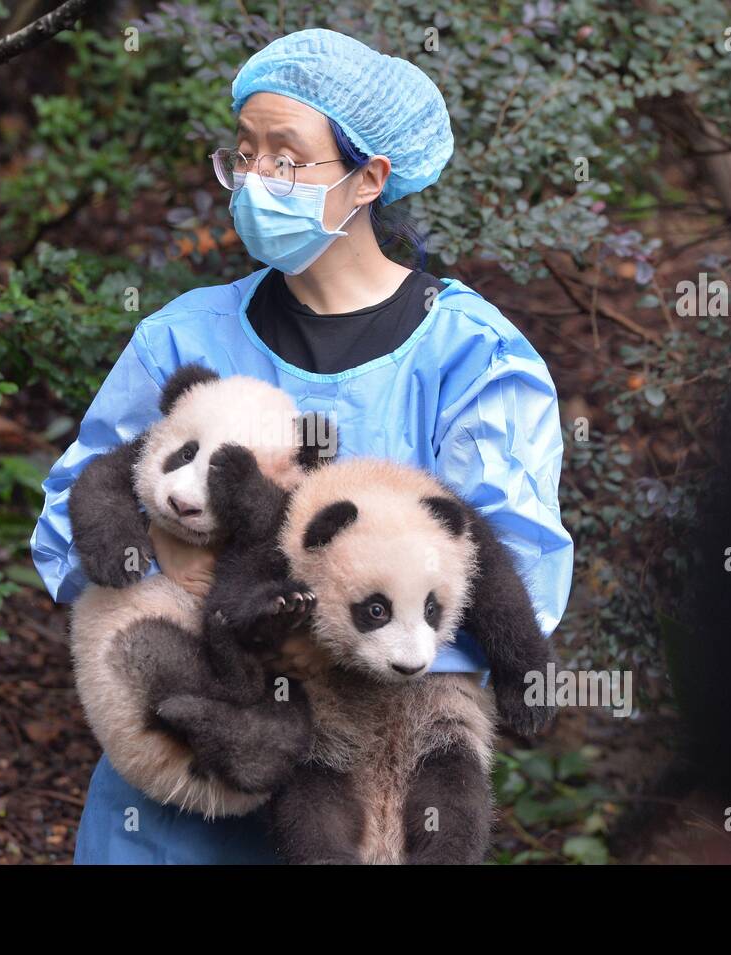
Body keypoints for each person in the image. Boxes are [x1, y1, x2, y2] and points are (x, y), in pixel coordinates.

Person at [31, 28, 574, 864]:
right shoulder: (183, 337)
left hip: (361, 790)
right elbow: (78, 533)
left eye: (285, 158)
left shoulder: (472, 355)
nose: (254, 180)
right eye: (242, 154)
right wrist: (217, 624)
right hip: (176, 802)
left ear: (370, 176)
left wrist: (316, 640)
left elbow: (513, 573)